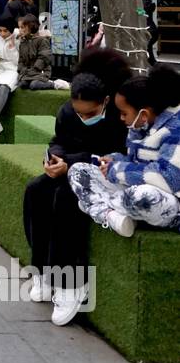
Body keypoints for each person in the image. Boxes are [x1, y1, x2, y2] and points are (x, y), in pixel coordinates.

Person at [22, 49, 130, 326]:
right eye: (79, 111)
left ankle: (71, 284)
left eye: (90, 113)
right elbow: (59, 140)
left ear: (105, 101)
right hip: (70, 168)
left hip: (103, 176)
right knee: (36, 190)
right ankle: (43, 271)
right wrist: (53, 158)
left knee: (66, 198)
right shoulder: (68, 111)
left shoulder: (119, 118)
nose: (83, 117)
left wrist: (70, 162)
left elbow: (115, 155)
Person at [67, 66, 180, 238]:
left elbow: (168, 177)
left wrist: (116, 170)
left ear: (143, 113)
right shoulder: (140, 125)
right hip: (132, 191)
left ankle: (94, 205)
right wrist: (116, 160)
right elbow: (135, 163)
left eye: (124, 113)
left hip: (170, 201)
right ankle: (111, 215)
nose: (121, 118)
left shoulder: (175, 129)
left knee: (142, 196)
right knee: (78, 171)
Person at [16, 14, 70, 91]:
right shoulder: (23, 42)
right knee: (22, 85)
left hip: (40, 71)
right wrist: (21, 69)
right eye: (19, 27)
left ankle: (55, 84)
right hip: (28, 73)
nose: (20, 30)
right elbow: (21, 60)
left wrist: (36, 68)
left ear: (31, 27)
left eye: (23, 27)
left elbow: (44, 57)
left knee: (34, 85)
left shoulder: (42, 40)